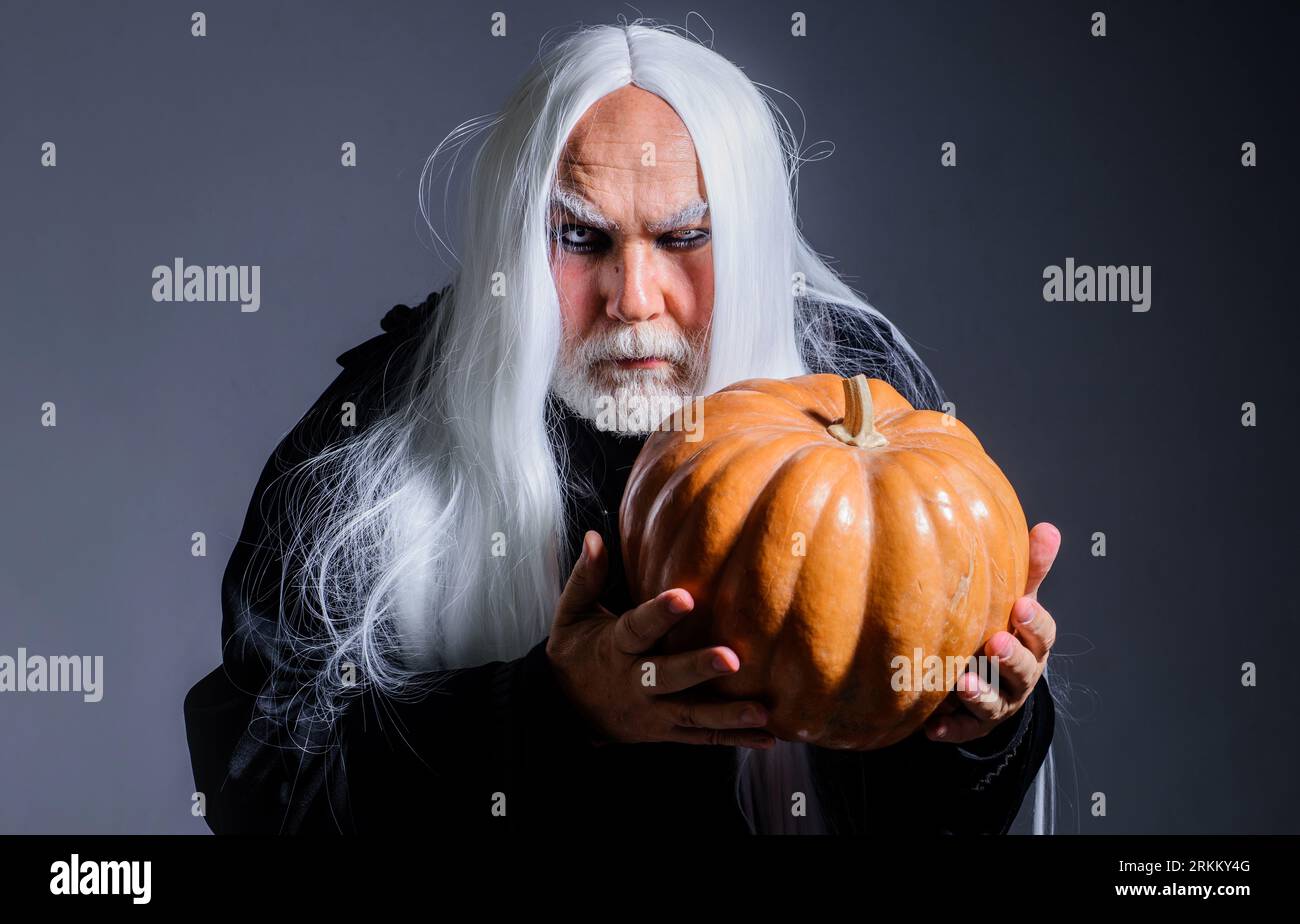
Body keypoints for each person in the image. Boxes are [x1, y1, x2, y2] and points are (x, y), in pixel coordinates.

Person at [184, 21, 1059, 835]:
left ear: (746, 238)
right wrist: (557, 709)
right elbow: (260, 790)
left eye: (684, 238)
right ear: (515, 242)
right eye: (581, 238)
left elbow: (926, 825)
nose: (634, 299)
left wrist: (978, 722)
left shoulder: (861, 404)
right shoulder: (374, 432)